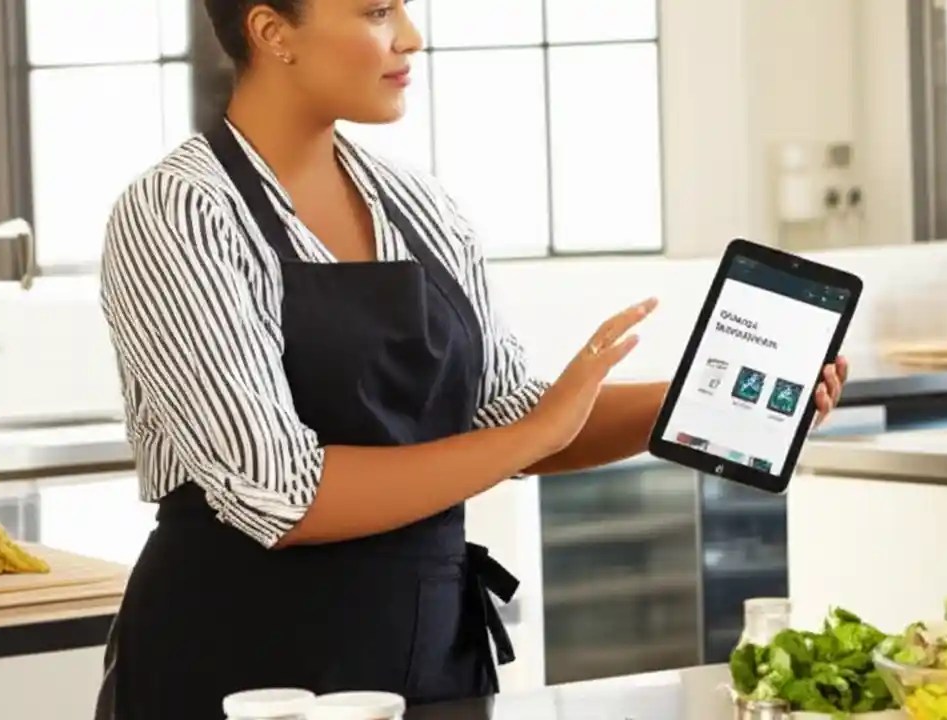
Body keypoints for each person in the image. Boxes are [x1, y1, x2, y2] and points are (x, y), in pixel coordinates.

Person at [92, 1, 849, 717]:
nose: (411, 38)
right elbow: (281, 493)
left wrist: (719, 396)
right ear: (272, 31)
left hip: (426, 654)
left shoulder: (418, 203)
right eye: (377, 12)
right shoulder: (179, 212)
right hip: (241, 664)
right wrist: (533, 433)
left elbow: (506, 414)